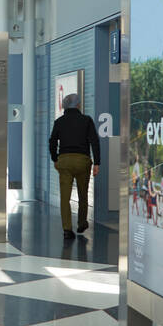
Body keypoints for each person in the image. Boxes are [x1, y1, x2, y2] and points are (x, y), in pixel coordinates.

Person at [49, 94, 101, 239]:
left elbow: (52, 141)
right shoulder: (86, 120)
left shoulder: (59, 122)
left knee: (65, 197)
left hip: (64, 161)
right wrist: (97, 162)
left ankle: (67, 229)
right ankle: (81, 222)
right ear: (78, 105)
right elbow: (94, 141)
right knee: (82, 194)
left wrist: (55, 158)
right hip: (82, 161)